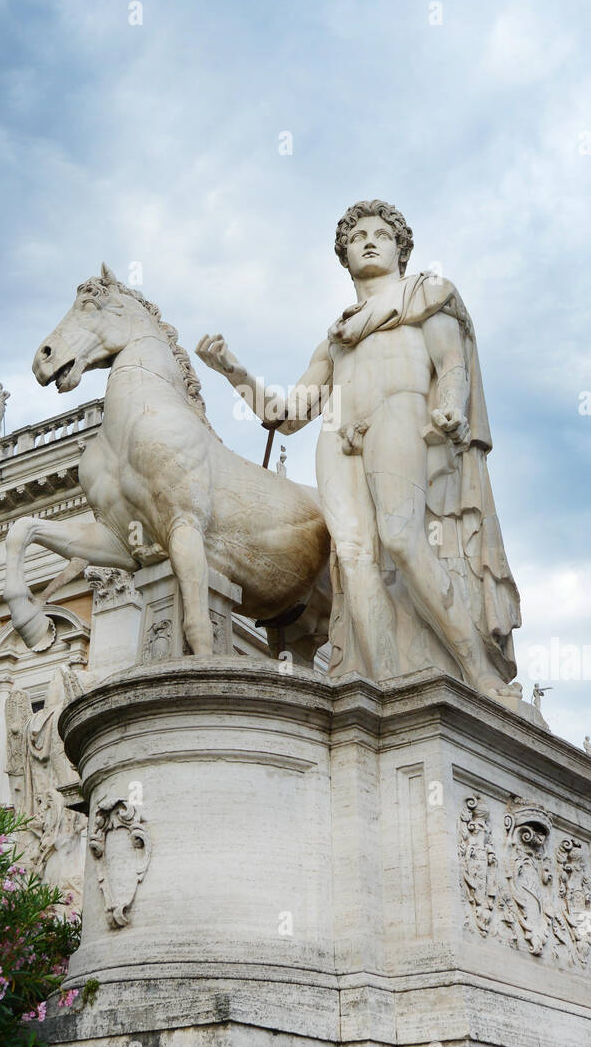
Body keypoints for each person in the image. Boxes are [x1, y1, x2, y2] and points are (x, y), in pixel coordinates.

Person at [196, 199, 520, 692]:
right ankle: (385, 681)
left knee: (401, 539)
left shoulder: (424, 295)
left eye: (381, 234)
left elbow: (451, 362)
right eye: (356, 237)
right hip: (338, 436)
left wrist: (451, 403)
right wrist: (233, 372)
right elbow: (286, 415)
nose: (368, 241)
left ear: (400, 249)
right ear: (344, 257)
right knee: (353, 558)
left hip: (401, 413)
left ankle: (475, 669)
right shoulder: (335, 340)